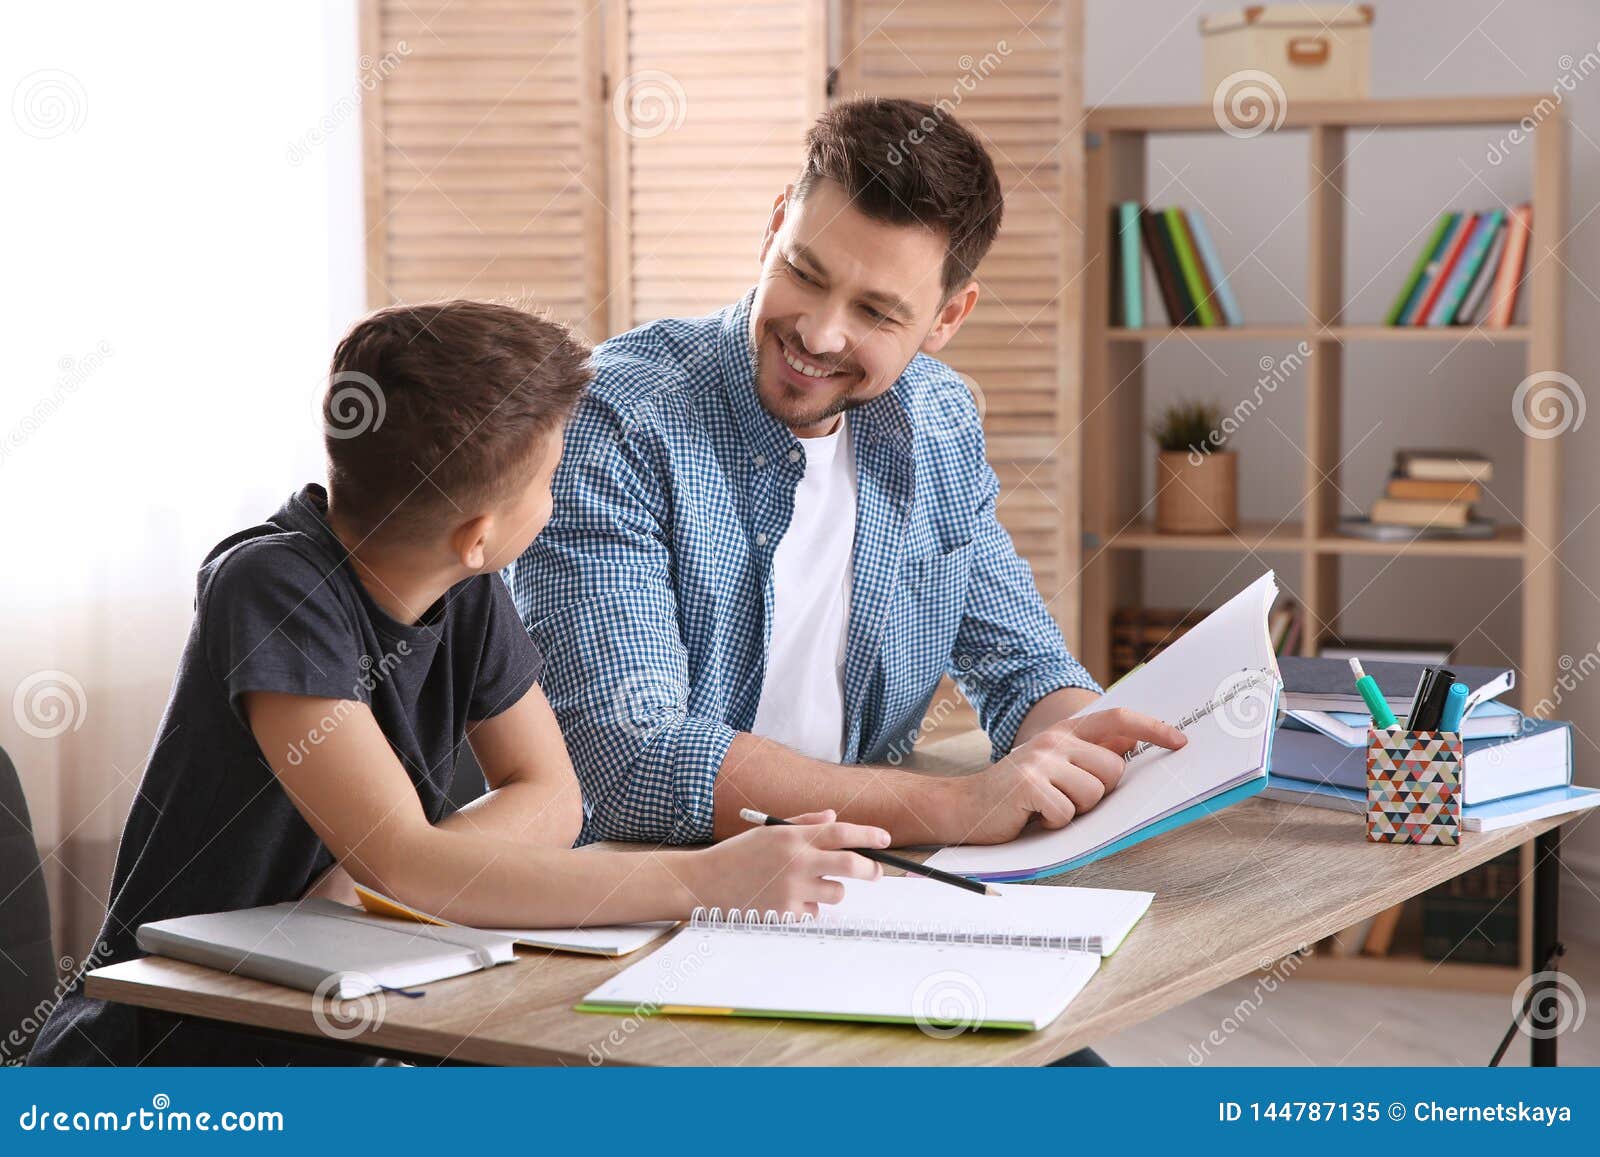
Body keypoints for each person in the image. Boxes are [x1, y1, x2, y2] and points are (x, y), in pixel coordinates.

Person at [29, 301, 888, 1066]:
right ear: (478, 533)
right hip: (166, 1054)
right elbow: (408, 863)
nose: (555, 496)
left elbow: (554, 799)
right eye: (548, 482)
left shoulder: (464, 587)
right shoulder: (271, 590)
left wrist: (380, 877)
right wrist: (701, 882)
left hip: (347, 1027)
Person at [510, 97, 1185, 852]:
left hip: (848, 874)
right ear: (775, 226)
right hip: (637, 886)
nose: (819, 333)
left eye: (876, 312)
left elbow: (1020, 663)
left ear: (947, 318)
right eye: (805, 272)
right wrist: (954, 806)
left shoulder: (938, 419)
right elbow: (624, 760)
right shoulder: (618, 418)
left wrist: (1088, 744)